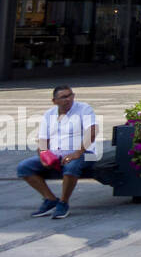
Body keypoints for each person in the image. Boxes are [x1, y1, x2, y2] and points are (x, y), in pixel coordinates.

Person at [17, 85, 97, 220]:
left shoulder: (84, 109)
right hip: (56, 155)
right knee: (24, 167)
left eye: (70, 95)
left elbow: (92, 132)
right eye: (64, 97)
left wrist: (78, 152)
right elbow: (43, 140)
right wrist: (43, 156)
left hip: (84, 153)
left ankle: (63, 202)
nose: (68, 99)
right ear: (54, 101)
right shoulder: (49, 114)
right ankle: (50, 199)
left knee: (71, 166)